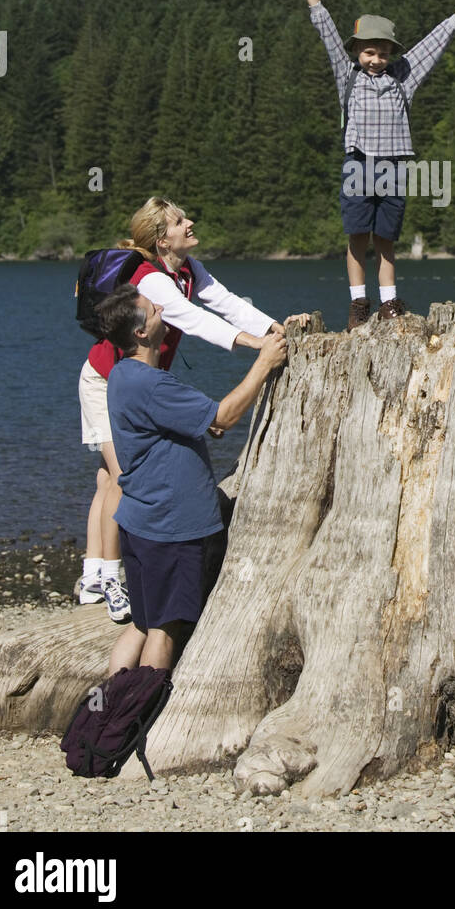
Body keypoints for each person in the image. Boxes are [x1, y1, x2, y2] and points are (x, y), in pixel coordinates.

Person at [78, 196, 309, 622]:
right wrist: (256, 346)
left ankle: (92, 573)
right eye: (180, 221)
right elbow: (192, 318)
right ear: (161, 239)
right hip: (106, 382)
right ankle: (112, 579)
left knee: (106, 476)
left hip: (139, 385)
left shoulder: (186, 270)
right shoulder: (150, 279)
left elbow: (225, 302)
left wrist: (273, 327)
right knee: (123, 477)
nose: (190, 223)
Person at [94, 285, 288, 674]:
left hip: (142, 520)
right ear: (141, 334)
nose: (161, 308)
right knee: (164, 631)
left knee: (141, 626)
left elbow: (170, 420)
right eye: (152, 310)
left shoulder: (123, 374)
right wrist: (264, 362)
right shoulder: (152, 384)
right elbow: (225, 417)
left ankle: (114, 709)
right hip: (169, 528)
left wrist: (199, 423)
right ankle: (141, 715)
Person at [284, 0, 455, 329]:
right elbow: (329, 36)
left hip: (394, 167)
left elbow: (431, 45)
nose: (376, 60)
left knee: (387, 239)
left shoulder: (403, 79)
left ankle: (389, 303)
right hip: (358, 163)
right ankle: (359, 303)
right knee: (357, 237)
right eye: (368, 53)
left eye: (382, 53)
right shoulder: (348, 76)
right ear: (357, 52)